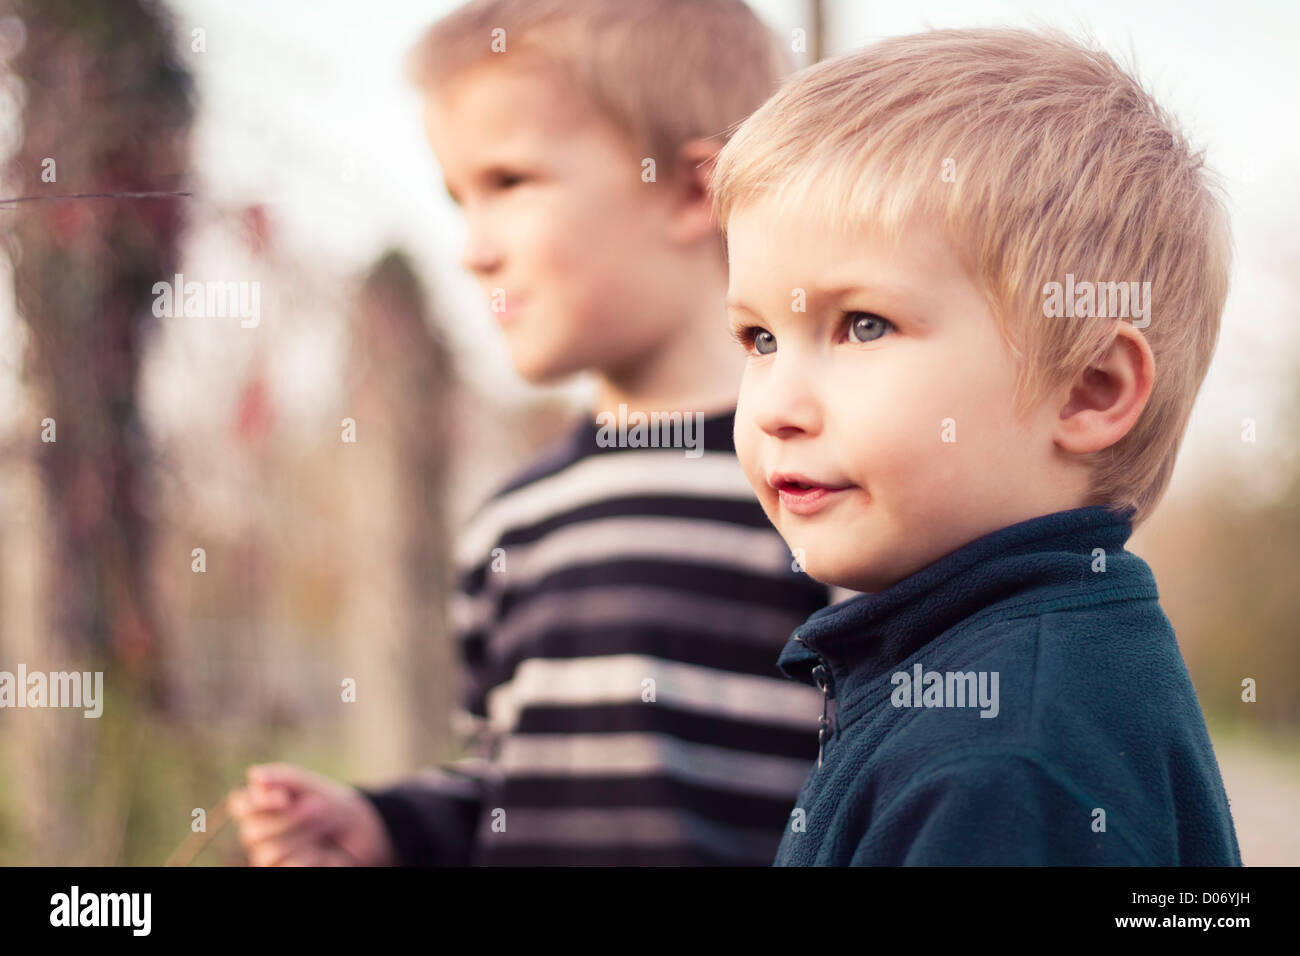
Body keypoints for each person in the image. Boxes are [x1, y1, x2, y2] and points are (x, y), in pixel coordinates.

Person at [229, 0, 832, 866]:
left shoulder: (812, 486)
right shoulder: (511, 522)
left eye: (508, 183)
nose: (473, 249)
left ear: (694, 190)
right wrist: (386, 828)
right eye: (458, 199)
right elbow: (506, 785)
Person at [708, 26, 1242, 865]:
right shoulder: (1017, 674)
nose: (776, 406)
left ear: (1088, 388)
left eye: (863, 325)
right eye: (759, 338)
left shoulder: (1003, 762)